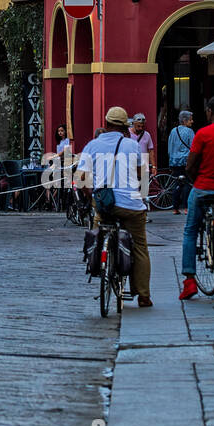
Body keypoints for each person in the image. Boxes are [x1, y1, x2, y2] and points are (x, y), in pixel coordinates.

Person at [78, 106, 152, 307]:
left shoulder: (92, 145)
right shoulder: (132, 145)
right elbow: (140, 174)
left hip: (105, 205)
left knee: (98, 228)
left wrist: (91, 196)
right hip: (131, 205)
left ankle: (99, 262)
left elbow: (81, 179)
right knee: (140, 247)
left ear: (106, 123)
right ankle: (144, 295)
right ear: (125, 126)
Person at [179, 96, 214, 301]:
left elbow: (190, 165)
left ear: (209, 112)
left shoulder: (202, 134)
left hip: (202, 188)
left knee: (190, 231)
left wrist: (195, 179)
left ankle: (190, 281)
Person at [167, 109, 195, 214]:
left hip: (174, 162)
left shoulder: (173, 131)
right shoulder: (190, 132)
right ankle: (186, 208)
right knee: (188, 184)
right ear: (184, 120)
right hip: (186, 161)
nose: (192, 122)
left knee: (177, 184)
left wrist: (171, 160)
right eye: (190, 120)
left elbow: (170, 147)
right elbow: (193, 148)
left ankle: (175, 208)